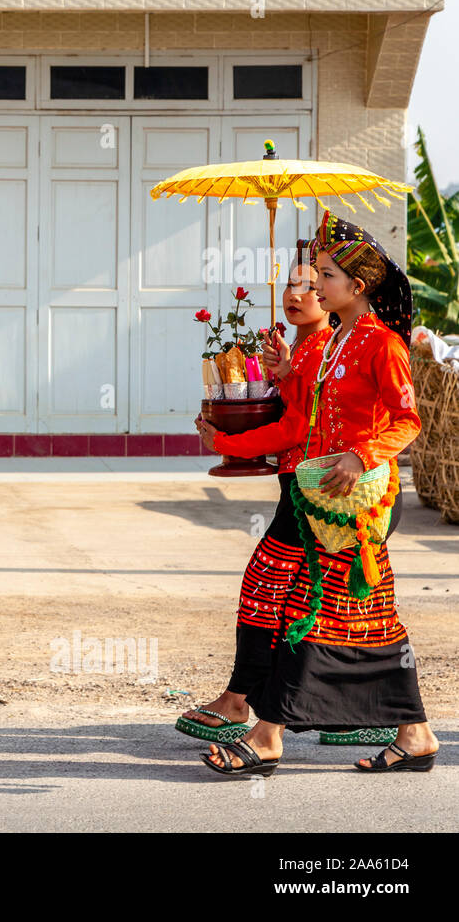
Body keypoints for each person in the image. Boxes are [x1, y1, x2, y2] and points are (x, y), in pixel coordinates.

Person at [197, 210, 439, 776]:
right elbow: (309, 417)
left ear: (356, 287)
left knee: (316, 612)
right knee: (369, 619)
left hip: (362, 501)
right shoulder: (334, 343)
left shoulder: (381, 344)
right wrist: (281, 377)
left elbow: (408, 420)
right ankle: (416, 732)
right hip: (323, 504)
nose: (312, 284)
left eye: (324, 276)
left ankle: (266, 735)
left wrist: (361, 456)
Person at [177, 259, 337, 743]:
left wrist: (227, 444)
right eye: (291, 284)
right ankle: (257, 702)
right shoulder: (300, 349)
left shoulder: (327, 347)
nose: (297, 293)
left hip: (326, 490)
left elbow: (293, 429)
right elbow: (281, 414)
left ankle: (245, 703)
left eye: (313, 284)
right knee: (319, 598)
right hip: (303, 485)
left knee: (271, 585)